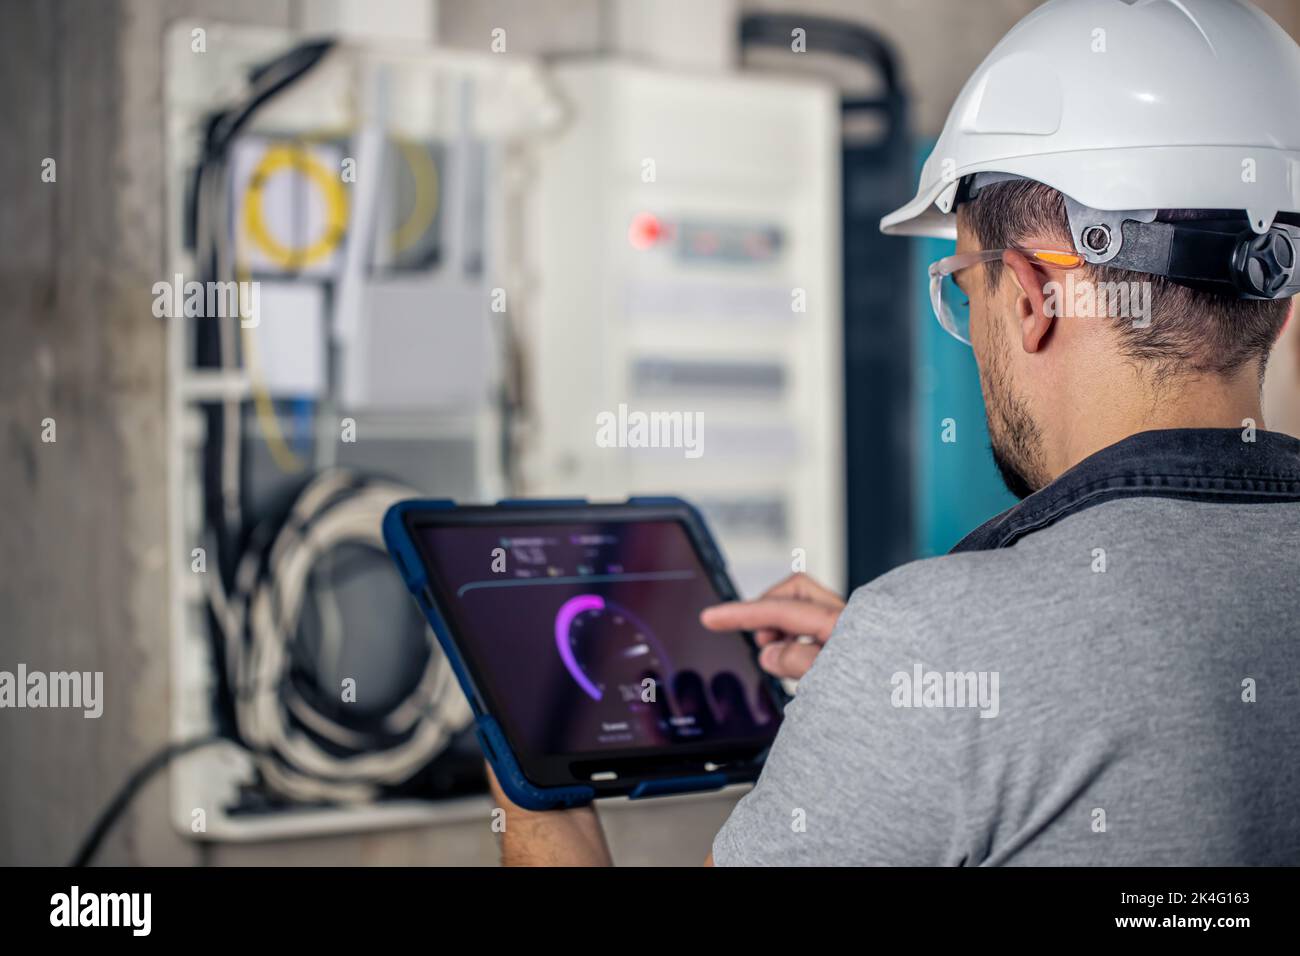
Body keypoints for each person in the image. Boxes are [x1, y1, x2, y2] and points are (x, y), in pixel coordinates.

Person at [490, 0, 1300, 865]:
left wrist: (536, 803)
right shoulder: (938, 655)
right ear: (1276, 299)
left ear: (1031, 296)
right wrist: (919, 683)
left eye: (965, 286)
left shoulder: (933, 640)